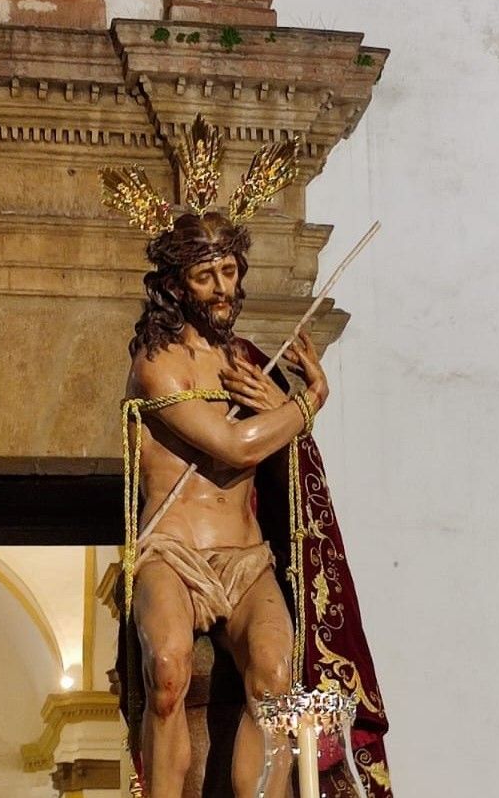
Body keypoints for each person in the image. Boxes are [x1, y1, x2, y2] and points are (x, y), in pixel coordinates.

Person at [103, 115, 392, 798]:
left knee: (275, 682)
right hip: (171, 554)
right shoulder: (156, 361)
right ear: (176, 284)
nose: (225, 288)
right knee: (169, 670)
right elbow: (236, 443)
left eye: (231, 271)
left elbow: (277, 454)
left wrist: (280, 407)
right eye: (208, 276)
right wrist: (306, 403)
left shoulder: (244, 362)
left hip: (245, 555)